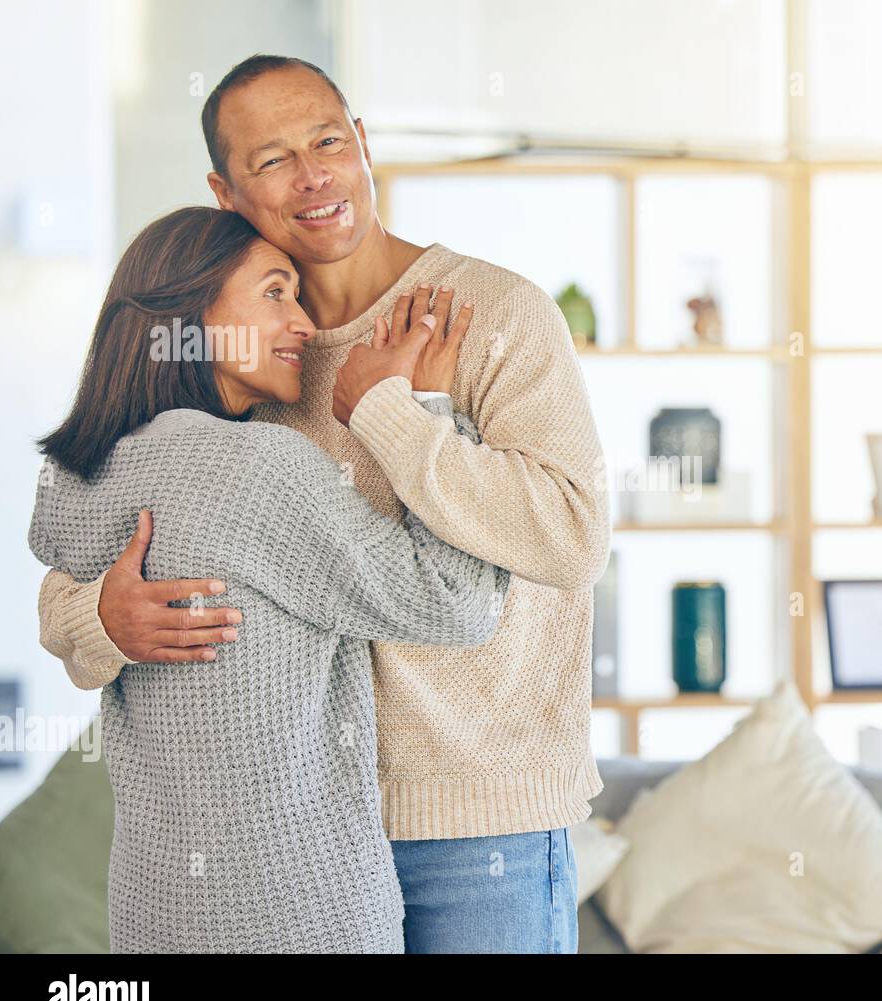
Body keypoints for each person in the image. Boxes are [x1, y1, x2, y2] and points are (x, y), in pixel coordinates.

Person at [36, 54, 609, 953]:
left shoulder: (495, 314)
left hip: (479, 829)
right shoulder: (243, 351)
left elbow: (573, 535)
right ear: (226, 193)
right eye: (272, 162)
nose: (313, 177)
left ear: (363, 146)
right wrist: (99, 616)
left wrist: (390, 411)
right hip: (303, 842)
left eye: (328, 142)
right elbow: (107, 527)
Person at [30, 206, 510, 953]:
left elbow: (60, 602)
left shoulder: (79, 476)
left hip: (153, 918)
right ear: (191, 312)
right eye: (277, 293)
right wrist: (419, 410)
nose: (307, 327)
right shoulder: (256, 471)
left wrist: (85, 617)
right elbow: (458, 602)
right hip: (300, 915)